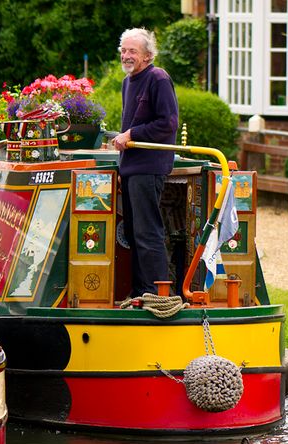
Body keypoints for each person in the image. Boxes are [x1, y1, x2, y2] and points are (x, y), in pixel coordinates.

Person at [110, 28, 179, 297]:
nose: (126, 56)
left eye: (132, 51)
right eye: (123, 50)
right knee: (133, 231)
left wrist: (132, 134)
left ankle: (156, 294)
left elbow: (168, 123)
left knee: (148, 232)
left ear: (148, 56)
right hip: (130, 167)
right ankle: (140, 292)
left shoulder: (158, 79)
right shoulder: (127, 83)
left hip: (149, 167)